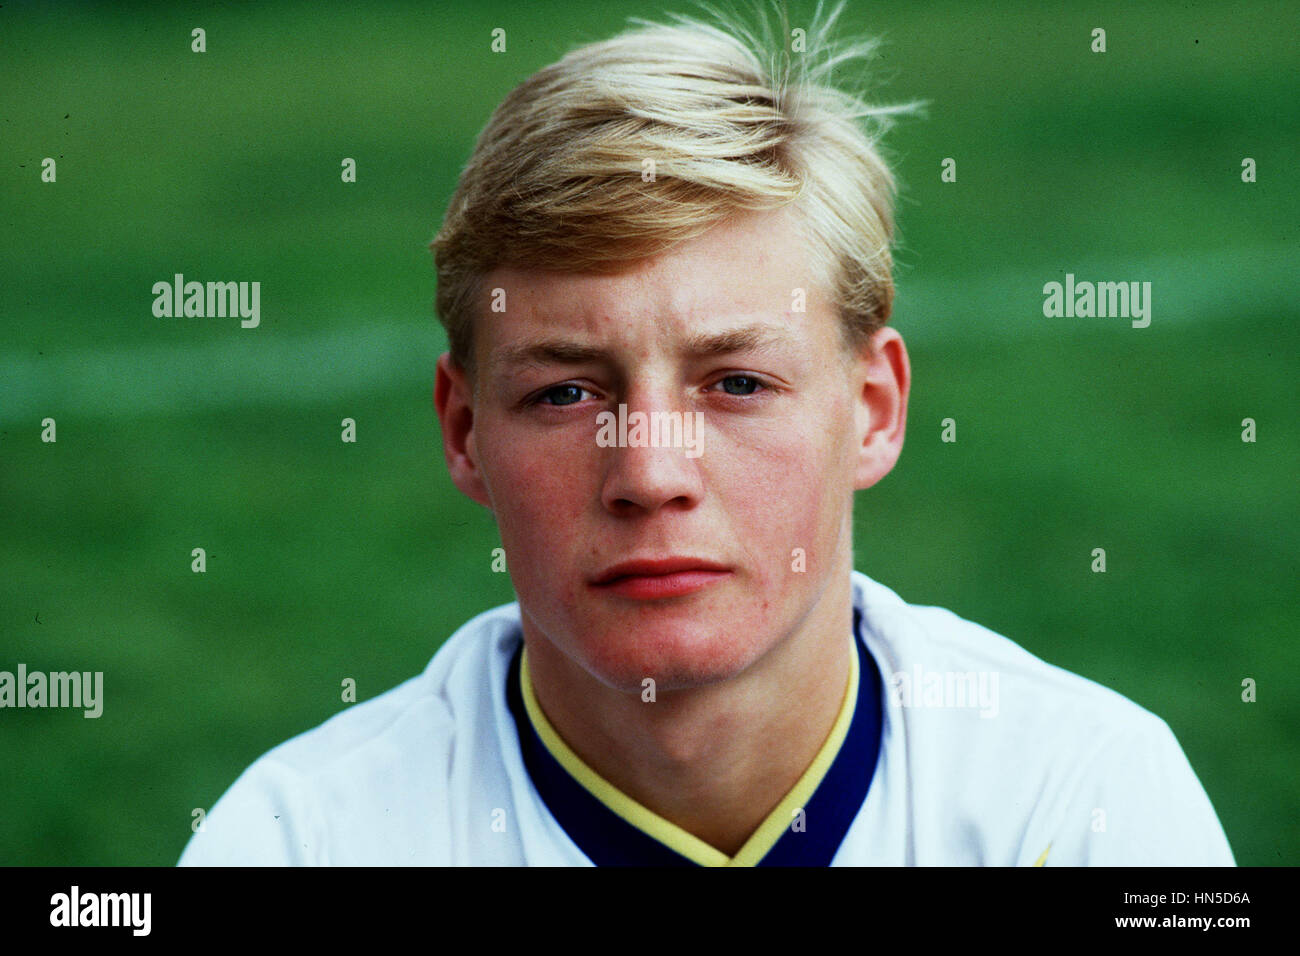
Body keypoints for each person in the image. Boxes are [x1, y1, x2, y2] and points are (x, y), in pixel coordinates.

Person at [178, 2, 1234, 866]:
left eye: (735, 380)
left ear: (871, 409)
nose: (649, 471)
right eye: (565, 393)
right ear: (462, 430)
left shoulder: (1082, 807)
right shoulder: (295, 843)